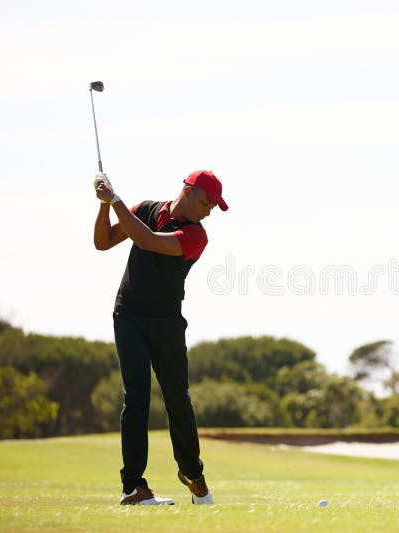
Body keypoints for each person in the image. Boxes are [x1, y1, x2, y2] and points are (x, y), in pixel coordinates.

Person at [94, 169, 228, 505]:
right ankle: (134, 488)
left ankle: (192, 473)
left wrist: (116, 200)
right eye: (208, 201)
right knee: (136, 399)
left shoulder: (196, 235)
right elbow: (103, 242)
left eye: (214, 205)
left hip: (167, 322)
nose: (210, 209)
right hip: (129, 316)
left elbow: (148, 240)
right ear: (189, 190)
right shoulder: (145, 209)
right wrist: (103, 205)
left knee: (177, 399)